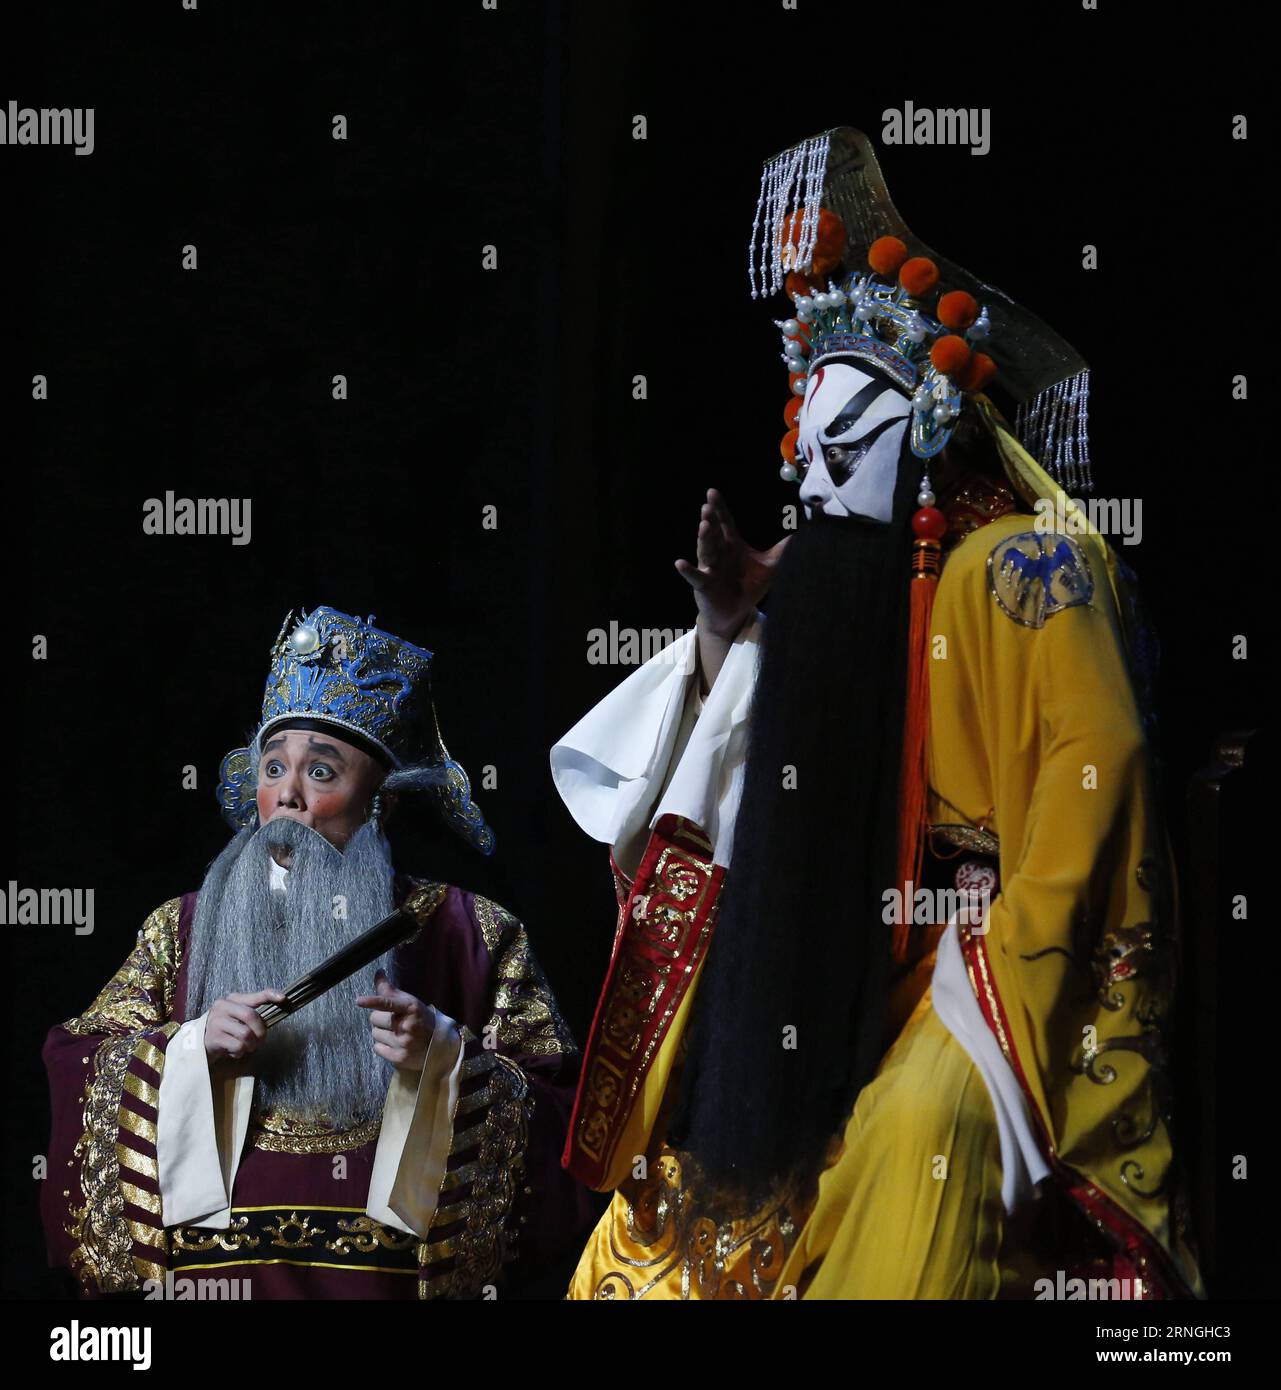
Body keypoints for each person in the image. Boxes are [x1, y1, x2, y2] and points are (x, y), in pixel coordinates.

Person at [551, 128, 1203, 1300]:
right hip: (858, 963)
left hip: (992, 968)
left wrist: (1001, 1030)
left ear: (933, 437)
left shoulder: (1025, 568)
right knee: (676, 1198)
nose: (807, 485)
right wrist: (727, 629)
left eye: (846, 448)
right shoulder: (844, 590)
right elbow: (720, 800)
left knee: (913, 1154)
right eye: (803, 453)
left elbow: (1096, 782)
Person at [43, 605, 589, 1299]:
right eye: (274, 768)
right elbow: (77, 1064)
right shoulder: (179, 928)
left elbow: (561, 1118)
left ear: (380, 807)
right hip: (210, 1277)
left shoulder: (465, 930)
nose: (289, 796)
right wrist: (188, 1047)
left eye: (323, 772)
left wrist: (444, 1056)